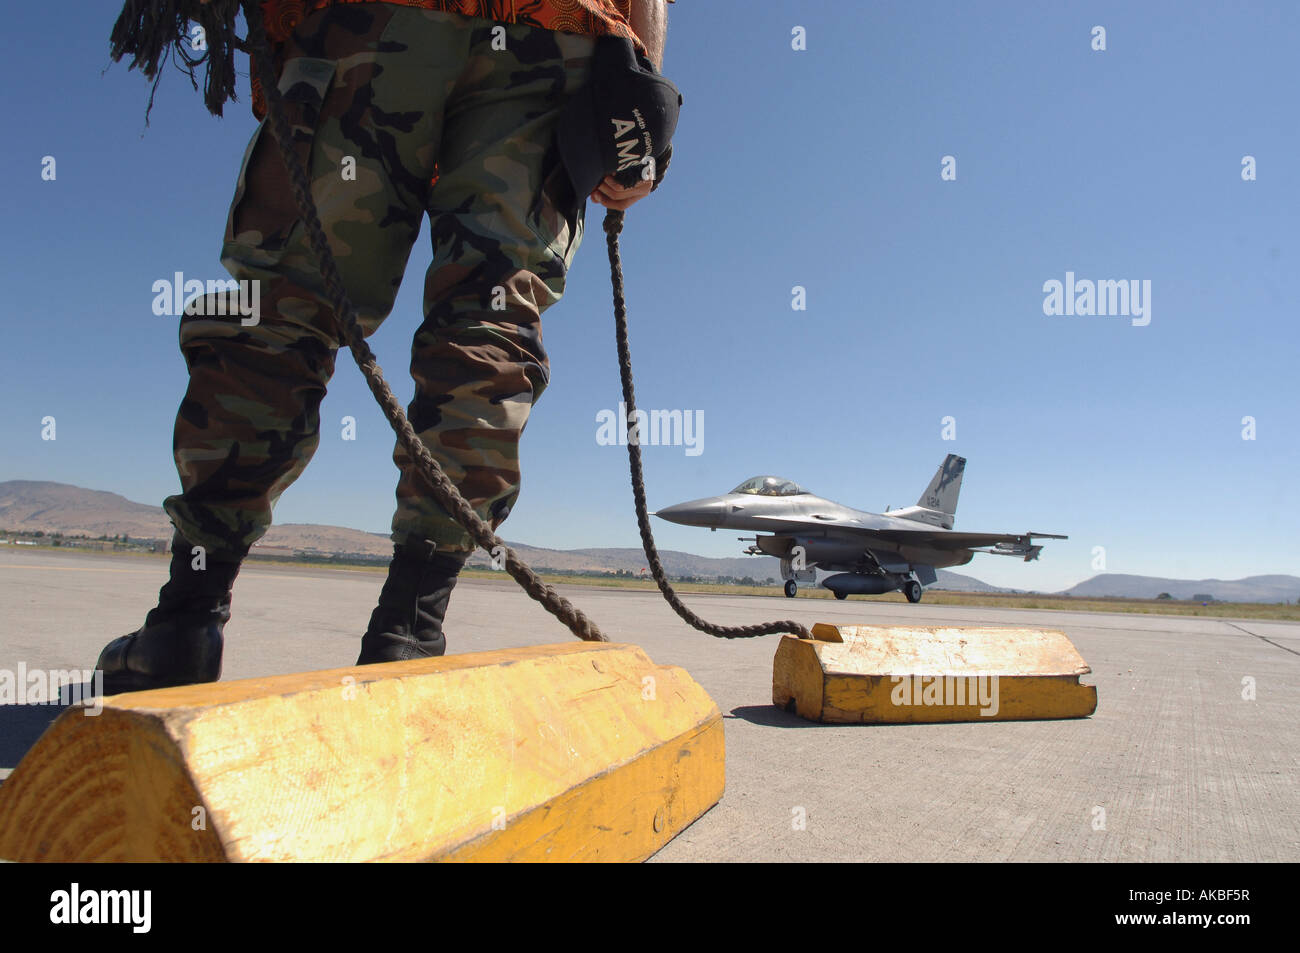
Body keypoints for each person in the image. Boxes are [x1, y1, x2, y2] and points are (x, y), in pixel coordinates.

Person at [97, 0, 672, 693]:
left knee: (287, 299)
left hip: (372, 18)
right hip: (554, 33)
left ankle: (187, 619)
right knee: (489, 315)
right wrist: (640, 93)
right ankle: (408, 632)